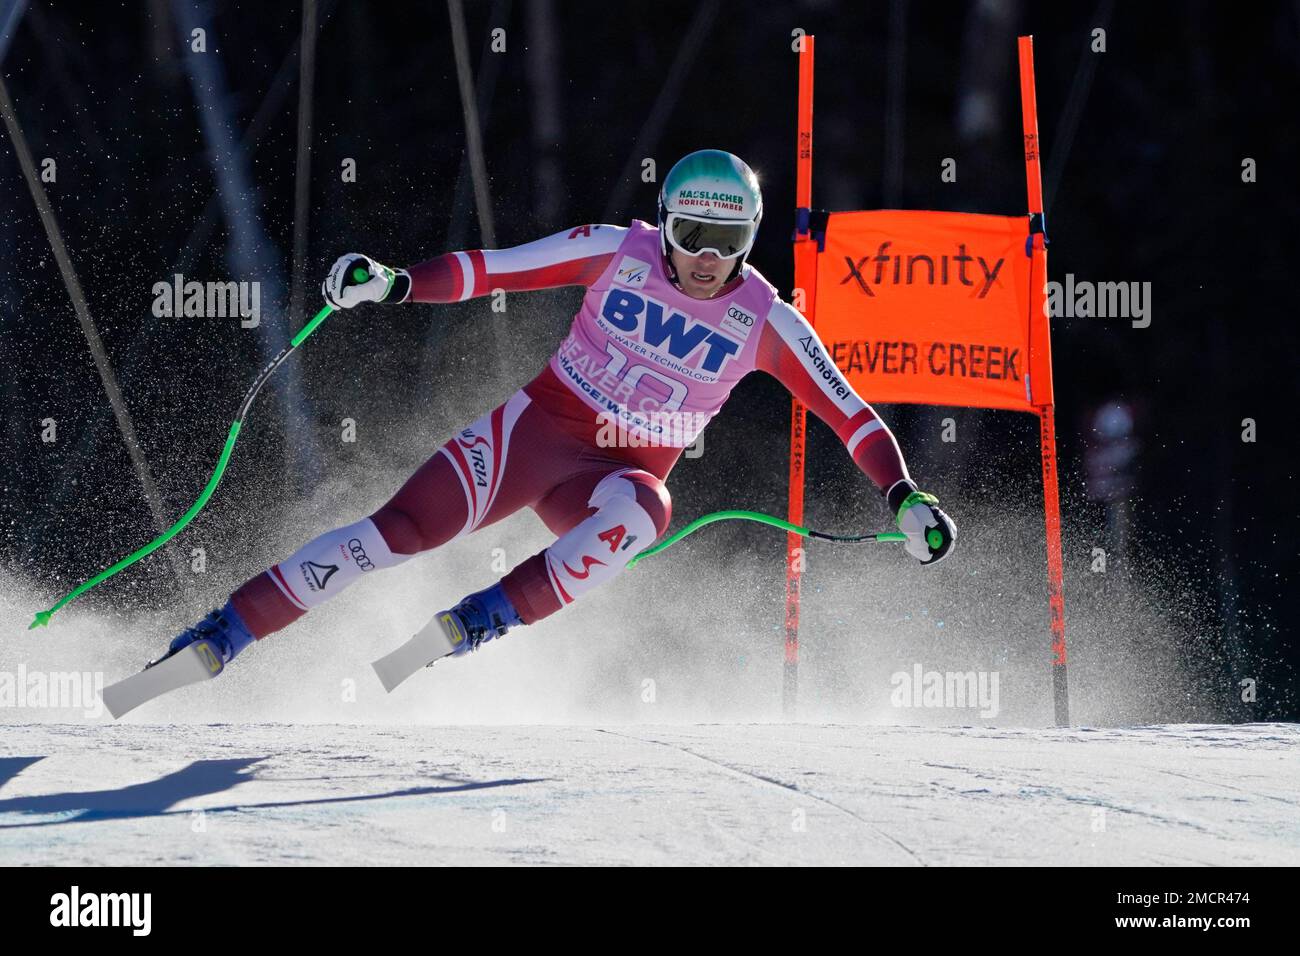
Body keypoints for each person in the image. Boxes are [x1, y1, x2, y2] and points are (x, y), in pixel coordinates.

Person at [152, 149, 955, 675]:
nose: (708, 258)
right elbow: (496, 271)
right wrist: (394, 282)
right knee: (388, 538)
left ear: (750, 240)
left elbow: (852, 415)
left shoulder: (768, 319)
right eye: (693, 233)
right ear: (666, 224)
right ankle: (225, 633)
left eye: (729, 239)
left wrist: (904, 496)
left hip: (618, 477)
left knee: (649, 512)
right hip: (530, 439)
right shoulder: (617, 250)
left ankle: (478, 619)